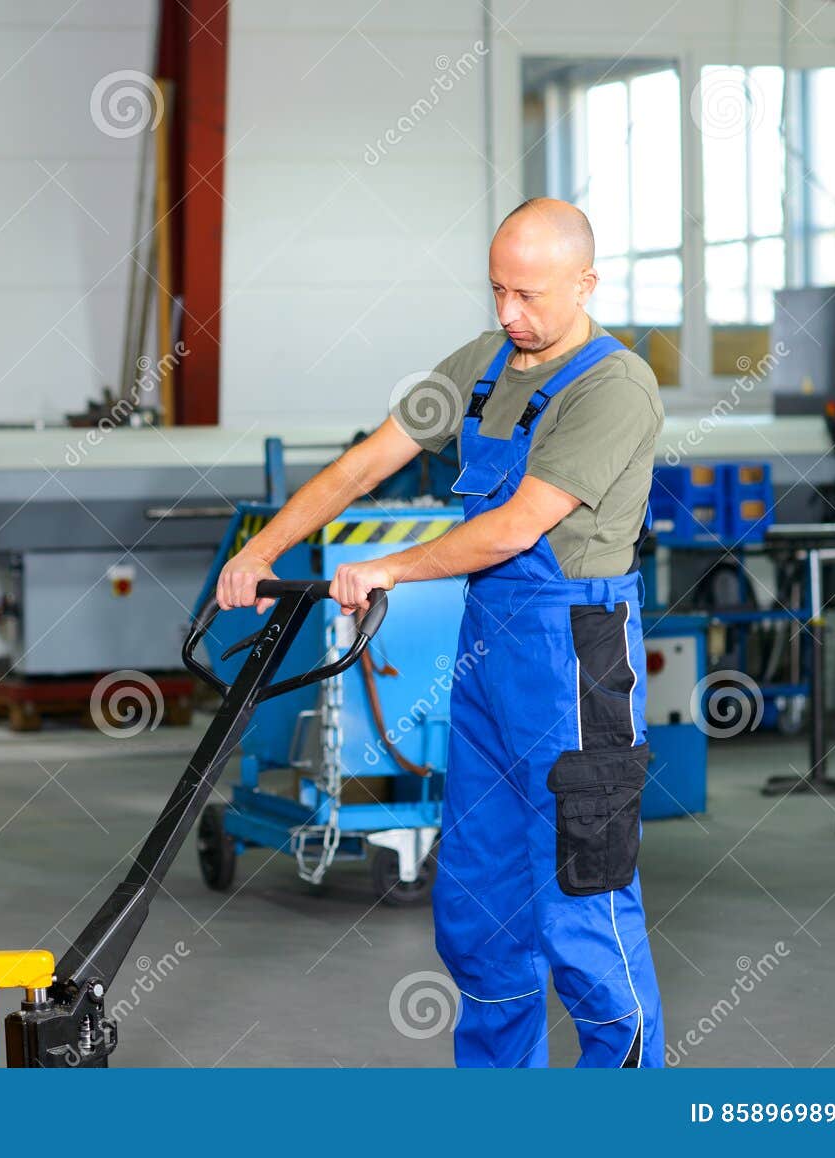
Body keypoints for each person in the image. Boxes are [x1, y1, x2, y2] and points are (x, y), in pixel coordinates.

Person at [216, 198, 664, 1068]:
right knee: (480, 903)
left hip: (574, 665)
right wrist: (262, 548)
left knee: (585, 904)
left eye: (528, 295)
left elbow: (513, 528)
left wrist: (388, 566)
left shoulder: (615, 387)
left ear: (587, 283)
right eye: (496, 289)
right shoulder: (486, 362)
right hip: (492, 656)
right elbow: (365, 461)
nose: (507, 314)